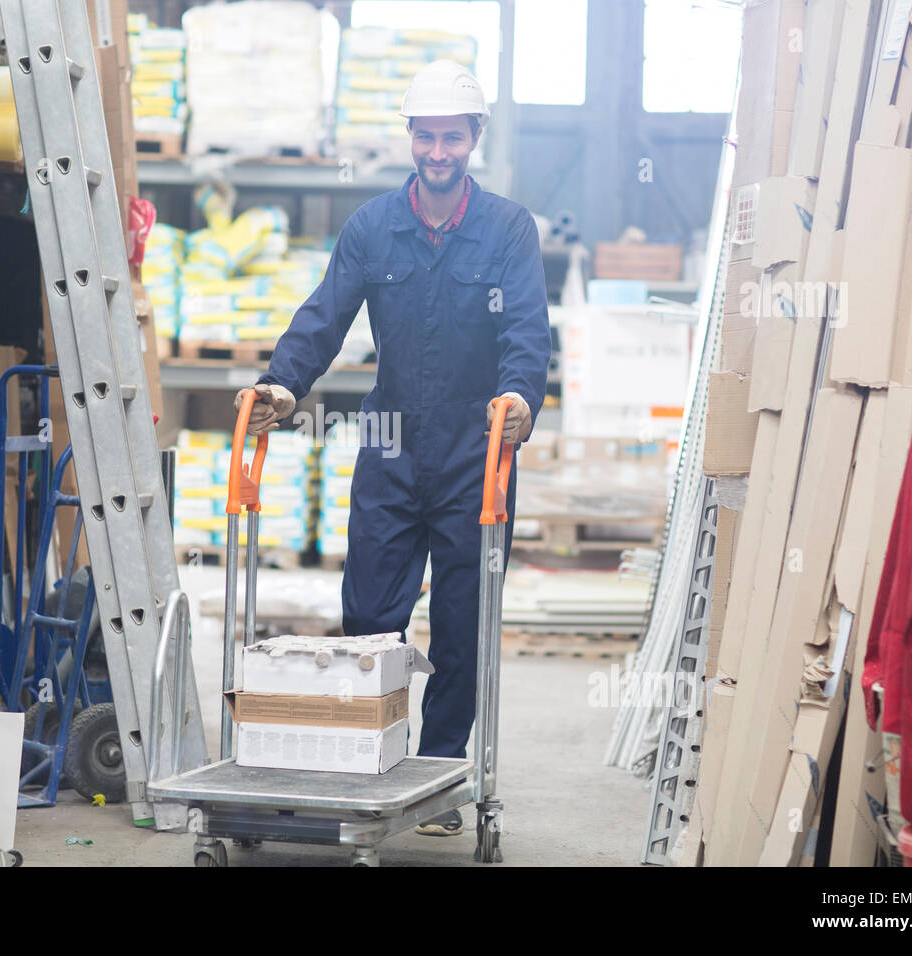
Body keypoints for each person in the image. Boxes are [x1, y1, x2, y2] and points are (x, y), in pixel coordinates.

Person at [235, 60, 551, 836]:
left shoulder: (508, 229)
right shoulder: (374, 227)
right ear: (409, 138)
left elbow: (527, 334)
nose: (437, 151)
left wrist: (520, 400)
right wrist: (284, 383)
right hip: (392, 444)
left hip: (476, 455)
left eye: (451, 136)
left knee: (461, 622)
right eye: (425, 136)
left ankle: (441, 771)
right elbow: (325, 314)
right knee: (370, 615)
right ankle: (369, 764)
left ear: (473, 138)